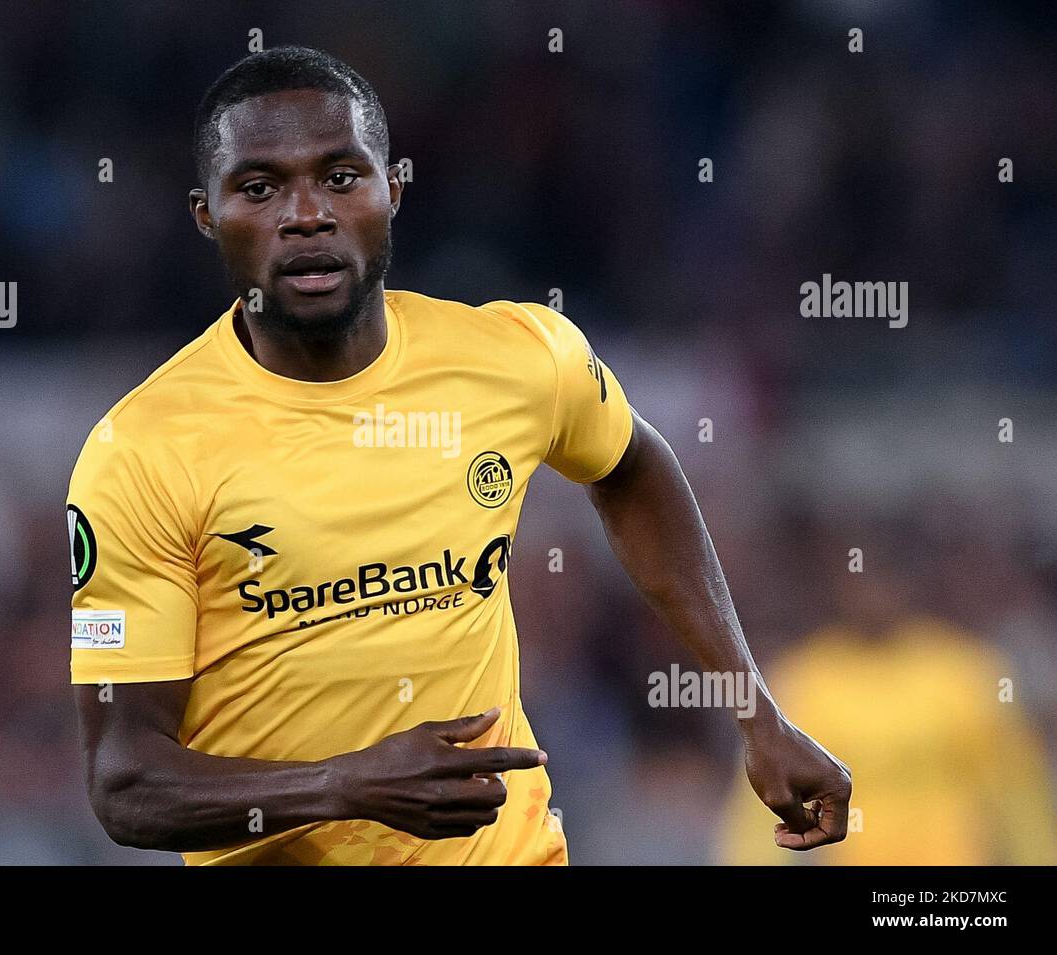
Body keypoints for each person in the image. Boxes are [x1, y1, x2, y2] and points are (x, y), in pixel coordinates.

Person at [68, 45, 850, 865]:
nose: (307, 213)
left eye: (341, 177)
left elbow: (631, 465)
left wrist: (755, 709)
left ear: (393, 189)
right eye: (260, 188)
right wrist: (343, 786)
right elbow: (127, 782)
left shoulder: (517, 358)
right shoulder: (143, 452)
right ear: (206, 214)